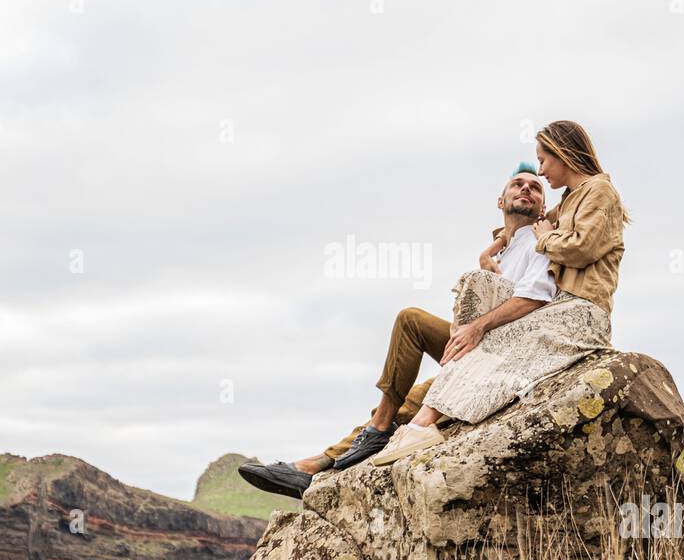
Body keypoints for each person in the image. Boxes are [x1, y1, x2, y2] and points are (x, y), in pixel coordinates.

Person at [238, 163, 557, 499]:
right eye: (518, 185)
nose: (526, 190)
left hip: (501, 352)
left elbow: (535, 296)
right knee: (408, 350)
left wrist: (476, 327)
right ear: (500, 201)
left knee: (412, 365)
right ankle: (331, 456)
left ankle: (321, 462)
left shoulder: (539, 240)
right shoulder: (500, 250)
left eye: (535, 188)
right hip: (476, 347)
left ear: (542, 206)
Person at [371, 120, 627, 466]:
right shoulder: (568, 201)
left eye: (543, 160)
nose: (540, 170)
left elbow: (581, 248)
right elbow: (524, 226)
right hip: (561, 309)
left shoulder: (599, 191)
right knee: (480, 342)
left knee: (488, 340)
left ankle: (420, 424)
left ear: (563, 154)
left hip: (582, 310)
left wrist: (544, 238)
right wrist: (490, 250)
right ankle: (404, 425)